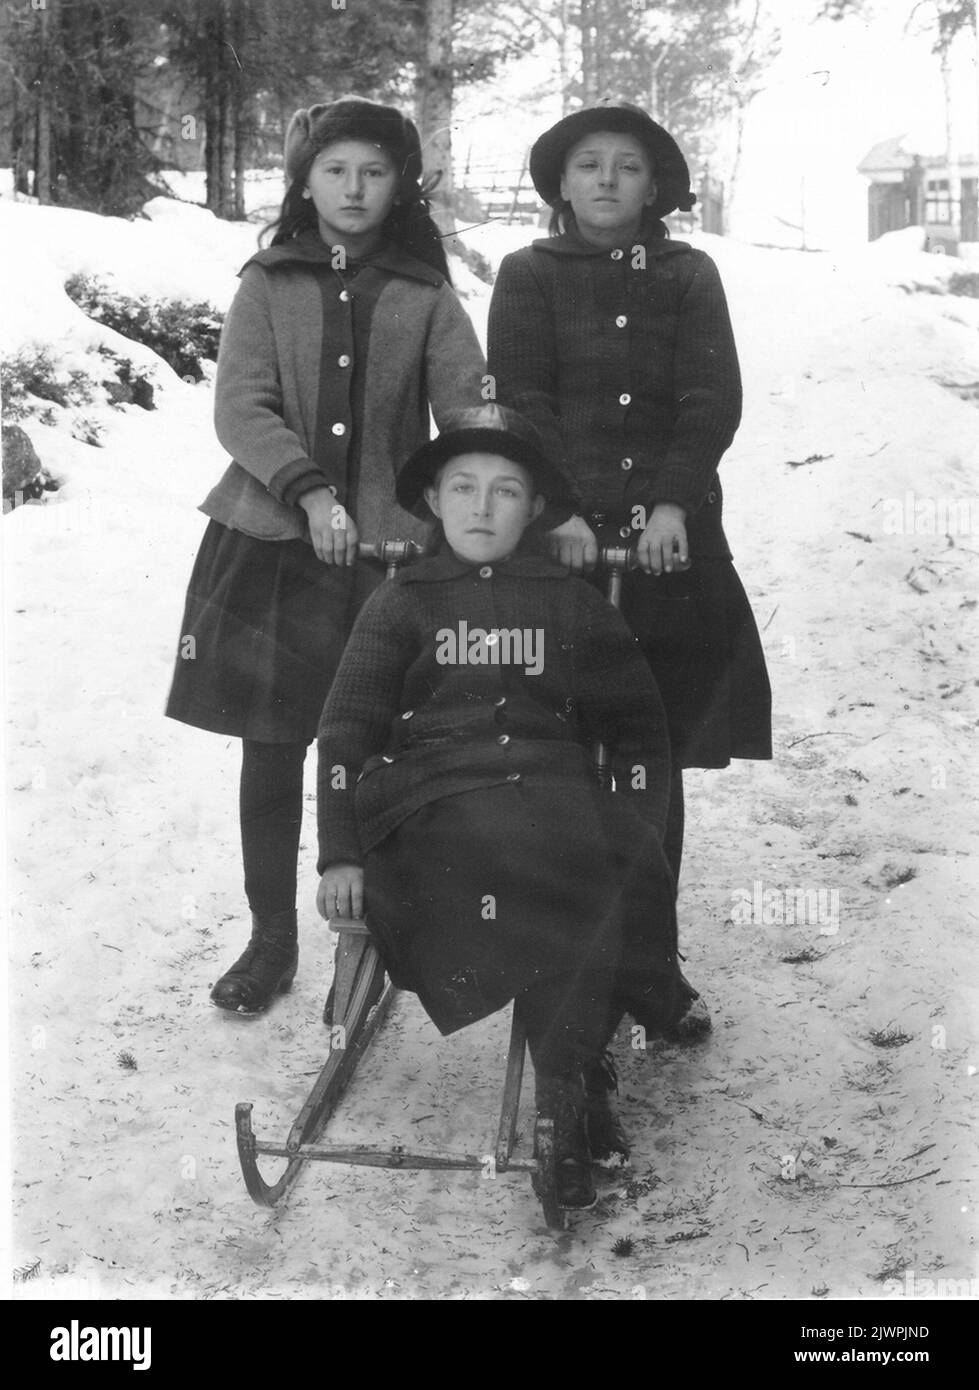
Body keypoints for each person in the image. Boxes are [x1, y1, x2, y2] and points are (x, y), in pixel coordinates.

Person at [316, 404, 691, 1209]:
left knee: (605, 864)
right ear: (433, 502)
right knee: (539, 862)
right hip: (430, 801)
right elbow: (345, 733)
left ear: (533, 510)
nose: (482, 508)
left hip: (550, 790)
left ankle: (566, 1090)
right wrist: (341, 853)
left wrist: (641, 827)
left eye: (505, 491)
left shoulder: (569, 601)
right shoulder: (401, 602)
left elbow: (635, 730)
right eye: (463, 487)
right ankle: (574, 1082)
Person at [165, 97, 485, 1015]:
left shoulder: (427, 295)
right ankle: (271, 938)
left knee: (378, 746)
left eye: (374, 172)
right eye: (335, 170)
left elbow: (465, 413)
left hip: (387, 557)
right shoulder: (267, 282)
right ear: (305, 181)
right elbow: (241, 408)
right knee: (271, 748)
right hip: (270, 546)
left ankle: (381, 918)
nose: (353, 188)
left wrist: (466, 502)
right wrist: (308, 491)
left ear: (399, 188)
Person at [487, 103, 773, 1033]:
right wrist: (559, 508)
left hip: (667, 547)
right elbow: (519, 396)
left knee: (651, 756)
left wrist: (672, 502)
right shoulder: (527, 276)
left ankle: (652, 967)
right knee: (557, 754)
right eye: (588, 165)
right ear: (560, 183)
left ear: (656, 187)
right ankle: (562, 962)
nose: (607, 180)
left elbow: (708, 397)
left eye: (628, 167)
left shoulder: (689, 274)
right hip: (556, 548)